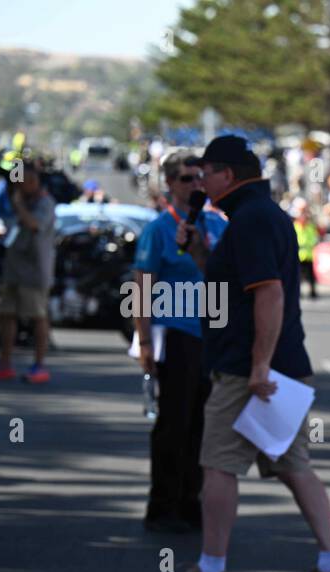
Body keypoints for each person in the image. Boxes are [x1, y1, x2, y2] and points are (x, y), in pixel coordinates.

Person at [153, 135, 330, 572]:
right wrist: (201, 251)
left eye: (205, 173)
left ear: (228, 174)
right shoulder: (256, 217)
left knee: (218, 465)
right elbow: (240, 286)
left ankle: (210, 570)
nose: (199, 181)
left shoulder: (252, 220)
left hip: (250, 372)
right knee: (294, 465)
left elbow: (269, 294)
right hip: (273, 367)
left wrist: (259, 367)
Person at [131, 151, 228, 533]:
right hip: (178, 333)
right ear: (170, 184)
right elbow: (142, 287)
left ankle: (192, 500)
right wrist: (144, 342)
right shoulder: (158, 230)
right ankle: (163, 503)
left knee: (204, 425)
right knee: (174, 422)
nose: (194, 185)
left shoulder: (216, 226)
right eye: (186, 178)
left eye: (200, 178)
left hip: (213, 336)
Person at [0, 161, 56, 383]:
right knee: (5, 314)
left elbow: (33, 225)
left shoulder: (44, 203)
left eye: (23, 183)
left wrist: (19, 205)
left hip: (34, 271)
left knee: (37, 316)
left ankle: (39, 365)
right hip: (14, 267)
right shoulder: (20, 201)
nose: (19, 187)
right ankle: (4, 362)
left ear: (32, 182)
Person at [291, 199, 320, 300]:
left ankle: (313, 292)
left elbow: (314, 239)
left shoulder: (310, 227)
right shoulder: (295, 226)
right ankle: (298, 293)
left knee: (311, 276)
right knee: (298, 277)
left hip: (308, 255)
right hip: (299, 255)